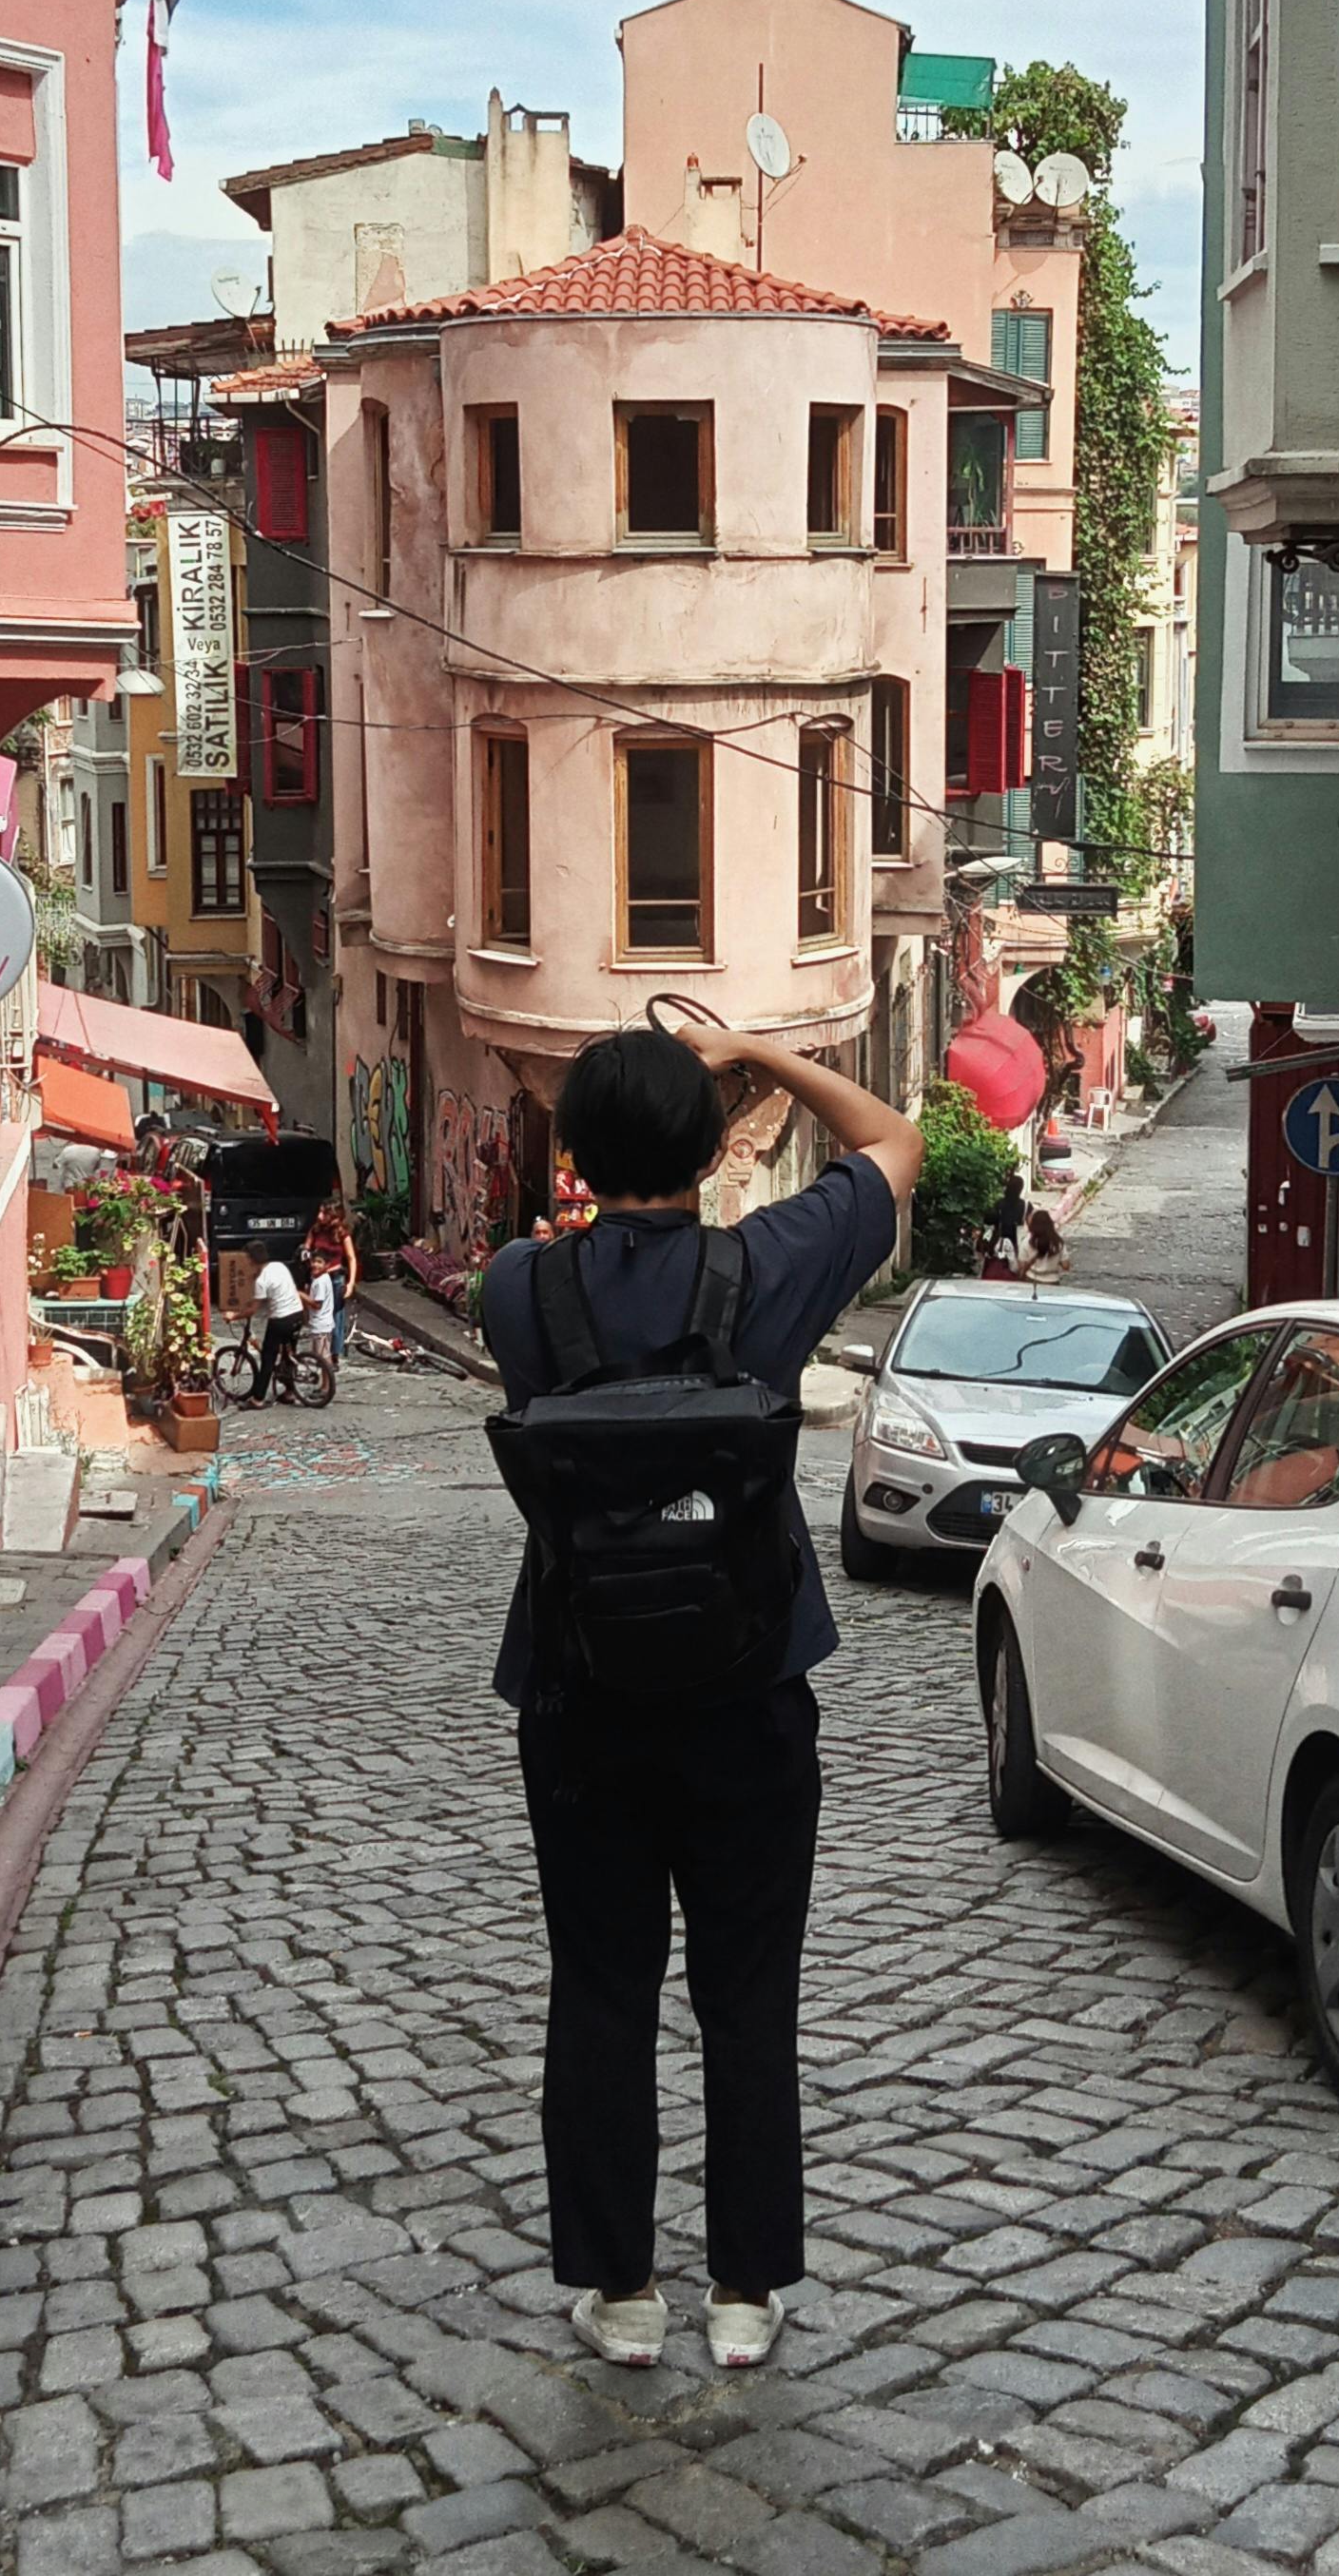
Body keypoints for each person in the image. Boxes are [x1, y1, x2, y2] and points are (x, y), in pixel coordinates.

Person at [480, 1019, 922, 2378]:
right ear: (714, 1145)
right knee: (747, 1991)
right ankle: (741, 2292)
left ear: (576, 1156)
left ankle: (620, 2294)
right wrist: (763, 1058)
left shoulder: (516, 1288)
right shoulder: (768, 1268)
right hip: (748, 1684)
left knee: (600, 1989)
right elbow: (895, 1144)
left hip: (578, 1683)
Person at [307, 1188, 359, 1362]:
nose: (320, 1216)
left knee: (336, 1316)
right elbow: (306, 1249)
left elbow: (351, 1258)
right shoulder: (316, 1230)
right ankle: (322, 1351)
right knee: (318, 1314)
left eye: (324, 1213)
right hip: (319, 1278)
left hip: (335, 1278)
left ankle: (334, 1354)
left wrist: (351, 1284)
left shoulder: (342, 1234)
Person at [246, 1244, 301, 1404]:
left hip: (280, 1319)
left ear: (252, 1259)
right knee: (288, 1356)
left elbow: (253, 1309)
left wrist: (233, 1315)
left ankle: (258, 1399)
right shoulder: (279, 1266)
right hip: (297, 1314)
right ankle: (290, 1391)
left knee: (268, 1356)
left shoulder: (261, 1280)